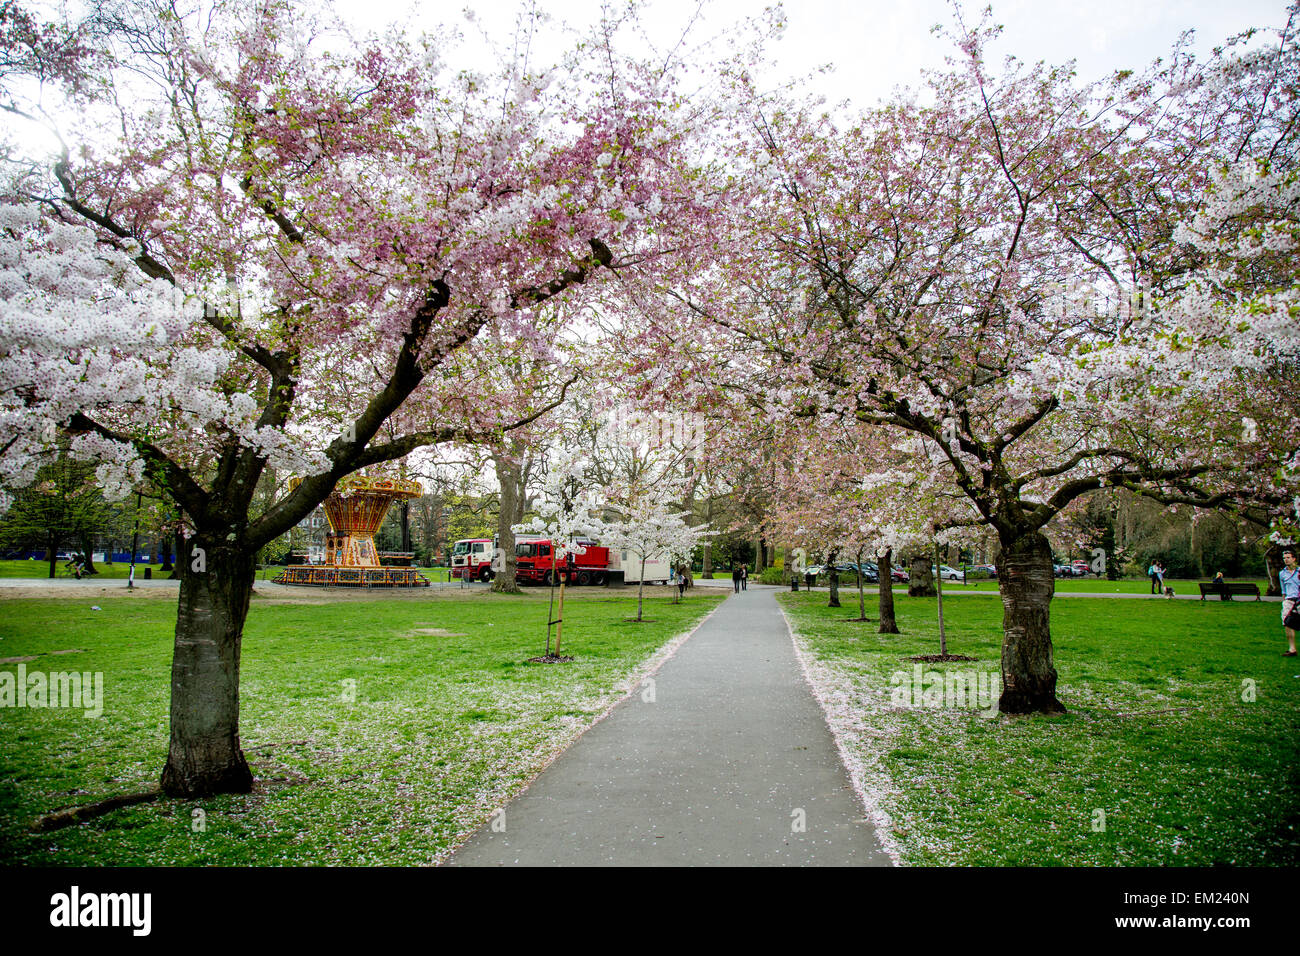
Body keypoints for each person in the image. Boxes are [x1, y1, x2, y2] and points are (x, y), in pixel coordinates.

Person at [1280, 549, 1299, 657]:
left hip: (1299, 599)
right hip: (1289, 599)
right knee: (1287, 623)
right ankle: (1292, 648)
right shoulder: (1282, 573)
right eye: (1284, 558)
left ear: (1293, 559)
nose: (1286, 560)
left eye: (1288, 557)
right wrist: (1284, 602)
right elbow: (1283, 589)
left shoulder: (1299, 572)